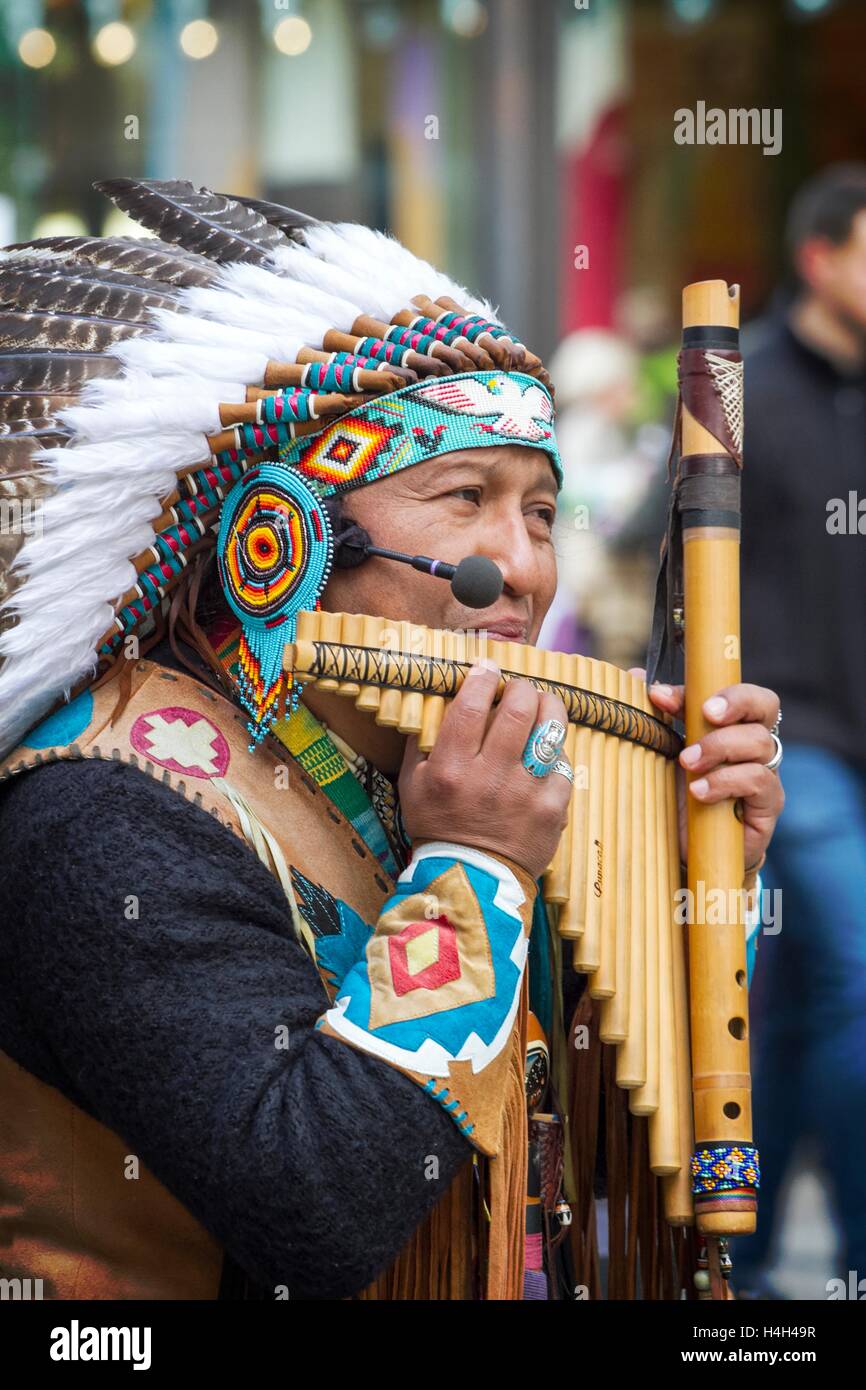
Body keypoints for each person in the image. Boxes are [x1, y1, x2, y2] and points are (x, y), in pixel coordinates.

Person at [0, 179, 783, 1301]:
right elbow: (316, 1208)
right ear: (279, 536)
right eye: (463, 496)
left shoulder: (417, 777)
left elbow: (571, 1162)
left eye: (536, 511)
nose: (518, 567)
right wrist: (472, 868)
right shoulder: (101, 810)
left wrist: (683, 883)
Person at [736, 163, 866, 1297]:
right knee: (858, 978)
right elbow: (664, 547)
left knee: (795, 1005)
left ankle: (744, 1259)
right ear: (821, 259)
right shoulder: (736, 381)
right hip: (789, 737)